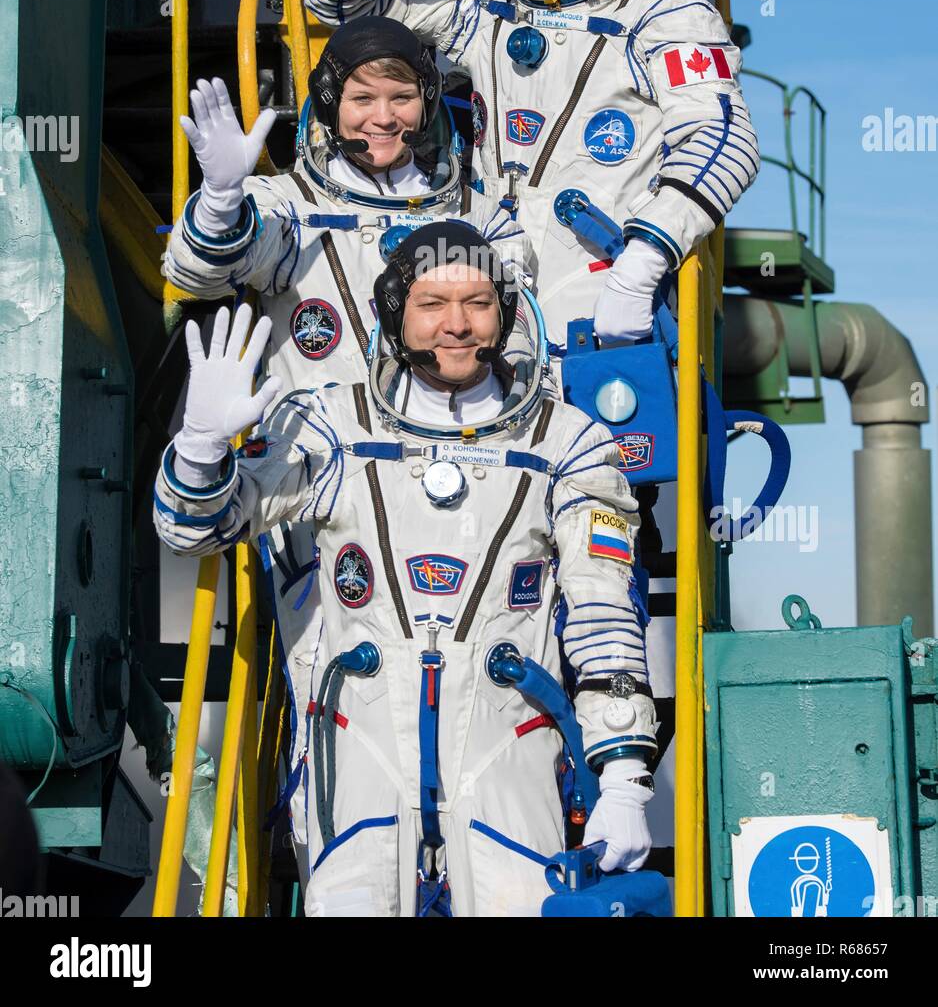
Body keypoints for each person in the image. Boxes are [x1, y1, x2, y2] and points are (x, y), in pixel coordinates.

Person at [153, 225, 657, 918]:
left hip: (508, 756)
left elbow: (604, 612)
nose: (456, 325)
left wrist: (625, 780)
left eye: (478, 302)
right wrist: (202, 450)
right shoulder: (331, 427)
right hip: (358, 760)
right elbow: (193, 527)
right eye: (432, 304)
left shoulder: (567, 441)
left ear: (506, 312)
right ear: (394, 312)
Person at [303, 0, 759, 354]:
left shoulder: (665, 10)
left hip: (604, 304)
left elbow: (724, 138)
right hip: (484, 309)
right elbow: (341, 7)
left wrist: (643, 261)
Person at [163, 15, 532, 390]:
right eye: (363, 99)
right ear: (329, 104)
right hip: (319, 444)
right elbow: (196, 277)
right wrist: (220, 204)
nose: (384, 118)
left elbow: (516, 337)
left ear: (428, 101)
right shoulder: (290, 207)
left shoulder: (481, 220)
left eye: (402, 97)